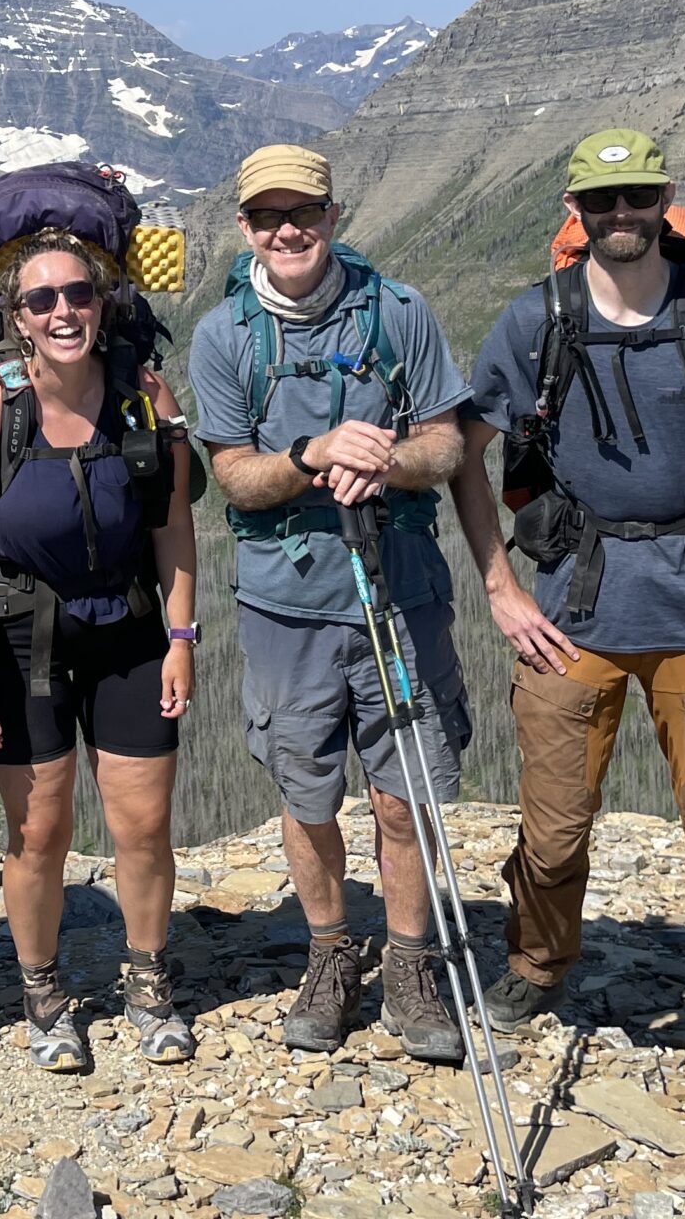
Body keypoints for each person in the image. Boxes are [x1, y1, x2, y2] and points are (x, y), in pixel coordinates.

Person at [464, 127, 685, 1112]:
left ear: (664, 198)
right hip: (572, 611)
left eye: (638, 195)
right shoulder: (534, 322)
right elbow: (461, 451)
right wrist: (498, 587)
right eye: (602, 200)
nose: (622, 214)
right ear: (576, 210)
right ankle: (535, 964)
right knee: (554, 830)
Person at [187, 144, 474, 1062]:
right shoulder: (224, 336)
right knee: (307, 794)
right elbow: (231, 474)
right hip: (287, 604)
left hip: (400, 591)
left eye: (302, 212)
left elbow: (448, 446)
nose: (287, 230)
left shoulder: (399, 313)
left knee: (405, 794)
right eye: (268, 215)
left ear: (334, 216)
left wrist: (387, 459)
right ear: (245, 227)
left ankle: (410, 962)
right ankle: (328, 954)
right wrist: (311, 456)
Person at [0, 227, 201, 1071]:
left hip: (129, 631)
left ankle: (149, 979)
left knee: (144, 825)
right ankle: (44, 993)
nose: (64, 312)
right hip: (23, 643)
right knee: (39, 831)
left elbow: (175, 528)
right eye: (42, 299)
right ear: (14, 317)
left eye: (79, 294)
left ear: (103, 302)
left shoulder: (143, 398)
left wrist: (183, 636)